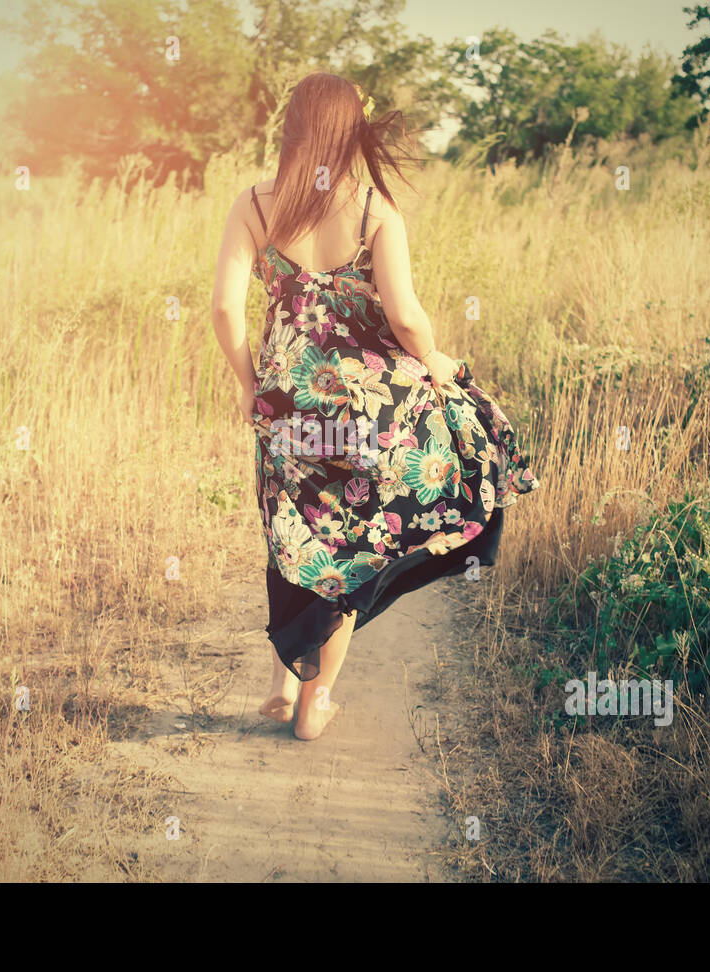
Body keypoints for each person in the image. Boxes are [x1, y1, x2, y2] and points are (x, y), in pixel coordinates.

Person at [211, 73, 536, 741]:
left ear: (293, 129)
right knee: (351, 547)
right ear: (351, 131)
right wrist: (440, 362)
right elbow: (407, 318)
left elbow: (223, 308)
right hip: (366, 416)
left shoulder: (254, 203)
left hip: (286, 407)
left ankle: (286, 679)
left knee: (292, 537)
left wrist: (249, 384)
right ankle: (314, 698)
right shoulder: (373, 211)